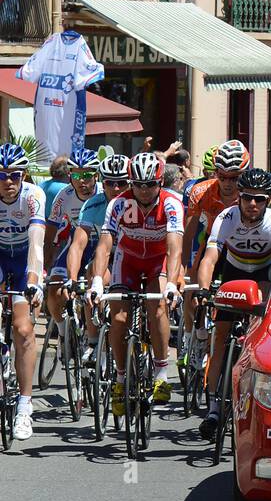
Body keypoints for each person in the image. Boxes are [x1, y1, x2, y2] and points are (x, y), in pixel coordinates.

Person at [195, 168, 271, 441]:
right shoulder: (227, 217)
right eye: (247, 197)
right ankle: (213, 408)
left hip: (262, 275)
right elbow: (210, 257)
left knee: (255, 338)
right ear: (239, 197)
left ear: (268, 201)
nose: (252, 204)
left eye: (259, 199)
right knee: (220, 338)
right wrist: (204, 292)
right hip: (233, 274)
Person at [90, 151, 183, 413]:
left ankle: (162, 371)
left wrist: (173, 283)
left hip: (157, 262)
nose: (143, 190)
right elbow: (105, 244)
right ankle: (120, 379)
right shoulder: (118, 203)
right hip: (127, 260)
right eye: (138, 185)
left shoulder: (172, 203)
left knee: (158, 308)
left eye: (150, 184)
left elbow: (175, 247)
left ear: (160, 183)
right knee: (118, 319)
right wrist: (97, 280)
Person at [180, 140, 249, 358]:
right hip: (213, 240)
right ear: (215, 172)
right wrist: (182, 271)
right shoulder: (200, 191)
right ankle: (199, 334)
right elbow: (188, 234)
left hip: (243, 244)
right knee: (192, 290)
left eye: (234, 177)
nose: (228, 183)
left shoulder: (252, 191)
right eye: (222, 176)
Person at [65, 154, 131, 362]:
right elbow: (78, 244)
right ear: (102, 181)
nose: (116, 188)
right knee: (92, 275)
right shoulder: (94, 204)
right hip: (108, 256)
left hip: (135, 258)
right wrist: (72, 279)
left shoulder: (137, 202)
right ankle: (93, 341)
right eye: (110, 182)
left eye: (122, 182)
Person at [0, 142, 45, 440]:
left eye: (14, 175)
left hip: (25, 257)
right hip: (1, 256)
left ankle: (25, 406)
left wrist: (34, 281)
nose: (7, 182)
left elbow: (37, 241)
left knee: (24, 329)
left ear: (24, 175)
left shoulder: (33, 196)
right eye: (1, 175)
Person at [44, 148, 100, 338]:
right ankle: (61, 332)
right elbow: (51, 228)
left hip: (100, 244)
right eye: (76, 175)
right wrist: (47, 258)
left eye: (87, 175)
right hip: (75, 244)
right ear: (70, 176)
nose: (82, 181)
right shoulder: (64, 196)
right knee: (54, 289)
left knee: (94, 286)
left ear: (96, 175)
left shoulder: (104, 193)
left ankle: (94, 335)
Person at [39, 156, 70, 220]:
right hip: (58, 226)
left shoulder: (40, 185)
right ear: (68, 172)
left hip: (41, 224)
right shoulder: (67, 189)